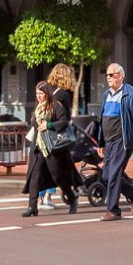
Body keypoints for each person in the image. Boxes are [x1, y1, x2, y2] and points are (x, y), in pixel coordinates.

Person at [23, 81, 81, 217]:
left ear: (47, 93)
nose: (38, 96)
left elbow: (63, 122)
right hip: (38, 147)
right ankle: (32, 207)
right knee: (34, 176)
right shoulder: (38, 108)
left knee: (59, 176)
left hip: (52, 148)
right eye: (37, 94)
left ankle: (72, 199)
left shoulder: (56, 106)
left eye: (41, 94)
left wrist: (48, 125)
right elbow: (33, 123)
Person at [98, 62, 133, 220]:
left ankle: (113, 210)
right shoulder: (106, 94)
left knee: (113, 174)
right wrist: (101, 142)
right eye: (107, 75)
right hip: (109, 141)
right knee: (106, 175)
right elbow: (102, 119)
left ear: (121, 76)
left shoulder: (130, 93)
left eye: (111, 75)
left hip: (123, 140)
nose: (109, 78)